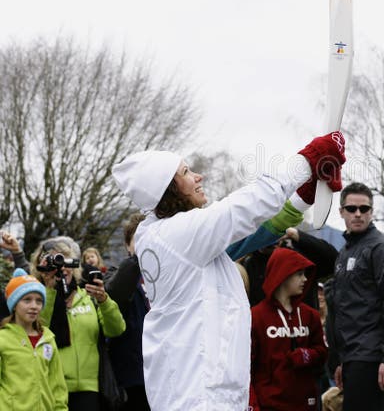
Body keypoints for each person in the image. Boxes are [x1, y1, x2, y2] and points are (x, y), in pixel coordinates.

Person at [111, 131, 345, 410]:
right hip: (198, 396)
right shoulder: (177, 235)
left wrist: (302, 196)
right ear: (168, 190)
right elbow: (243, 208)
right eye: (187, 172)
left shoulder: (173, 239)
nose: (199, 176)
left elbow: (250, 234)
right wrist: (308, 160)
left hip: (204, 392)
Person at [327, 182, 384, 411]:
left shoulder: (382, 248)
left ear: (371, 212)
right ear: (341, 212)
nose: (358, 214)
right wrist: (341, 360)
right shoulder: (344, 252)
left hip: (373, 360)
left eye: (364, 209)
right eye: (352, 208)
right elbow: (343, 311)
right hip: (352, 358)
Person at [32, 236, 126, 410]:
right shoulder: (37, 300)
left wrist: (104, 301)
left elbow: (116, 329)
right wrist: (49, 289)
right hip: (51, 389)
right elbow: (39, 329)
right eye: (56, 262)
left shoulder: (88, 297)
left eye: (65, 260)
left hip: (90, 389)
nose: (62, 268)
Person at [250, 247, 328, 410]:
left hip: (305, 402)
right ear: (283, 275)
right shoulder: (256, 316)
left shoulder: (310, 315)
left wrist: (307, 355)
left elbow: (322, 353)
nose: (305, 279)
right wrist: (253, 403)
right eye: (299, 274)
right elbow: (247, 366)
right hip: (269, 403)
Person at [0, 268, 68, 409]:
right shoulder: (3, 339)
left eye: (38, 301)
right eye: (27, 300)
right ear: (14, 304)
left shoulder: (48, 338)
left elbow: (58, 386)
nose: (34, 306)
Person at [103, 212, 151, 411]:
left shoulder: (167, 274)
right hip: (132, 378)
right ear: (127, 245)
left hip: (166, 372)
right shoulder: (117, 273)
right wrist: (139, 258)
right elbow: (116, 292)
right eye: (138, 239)